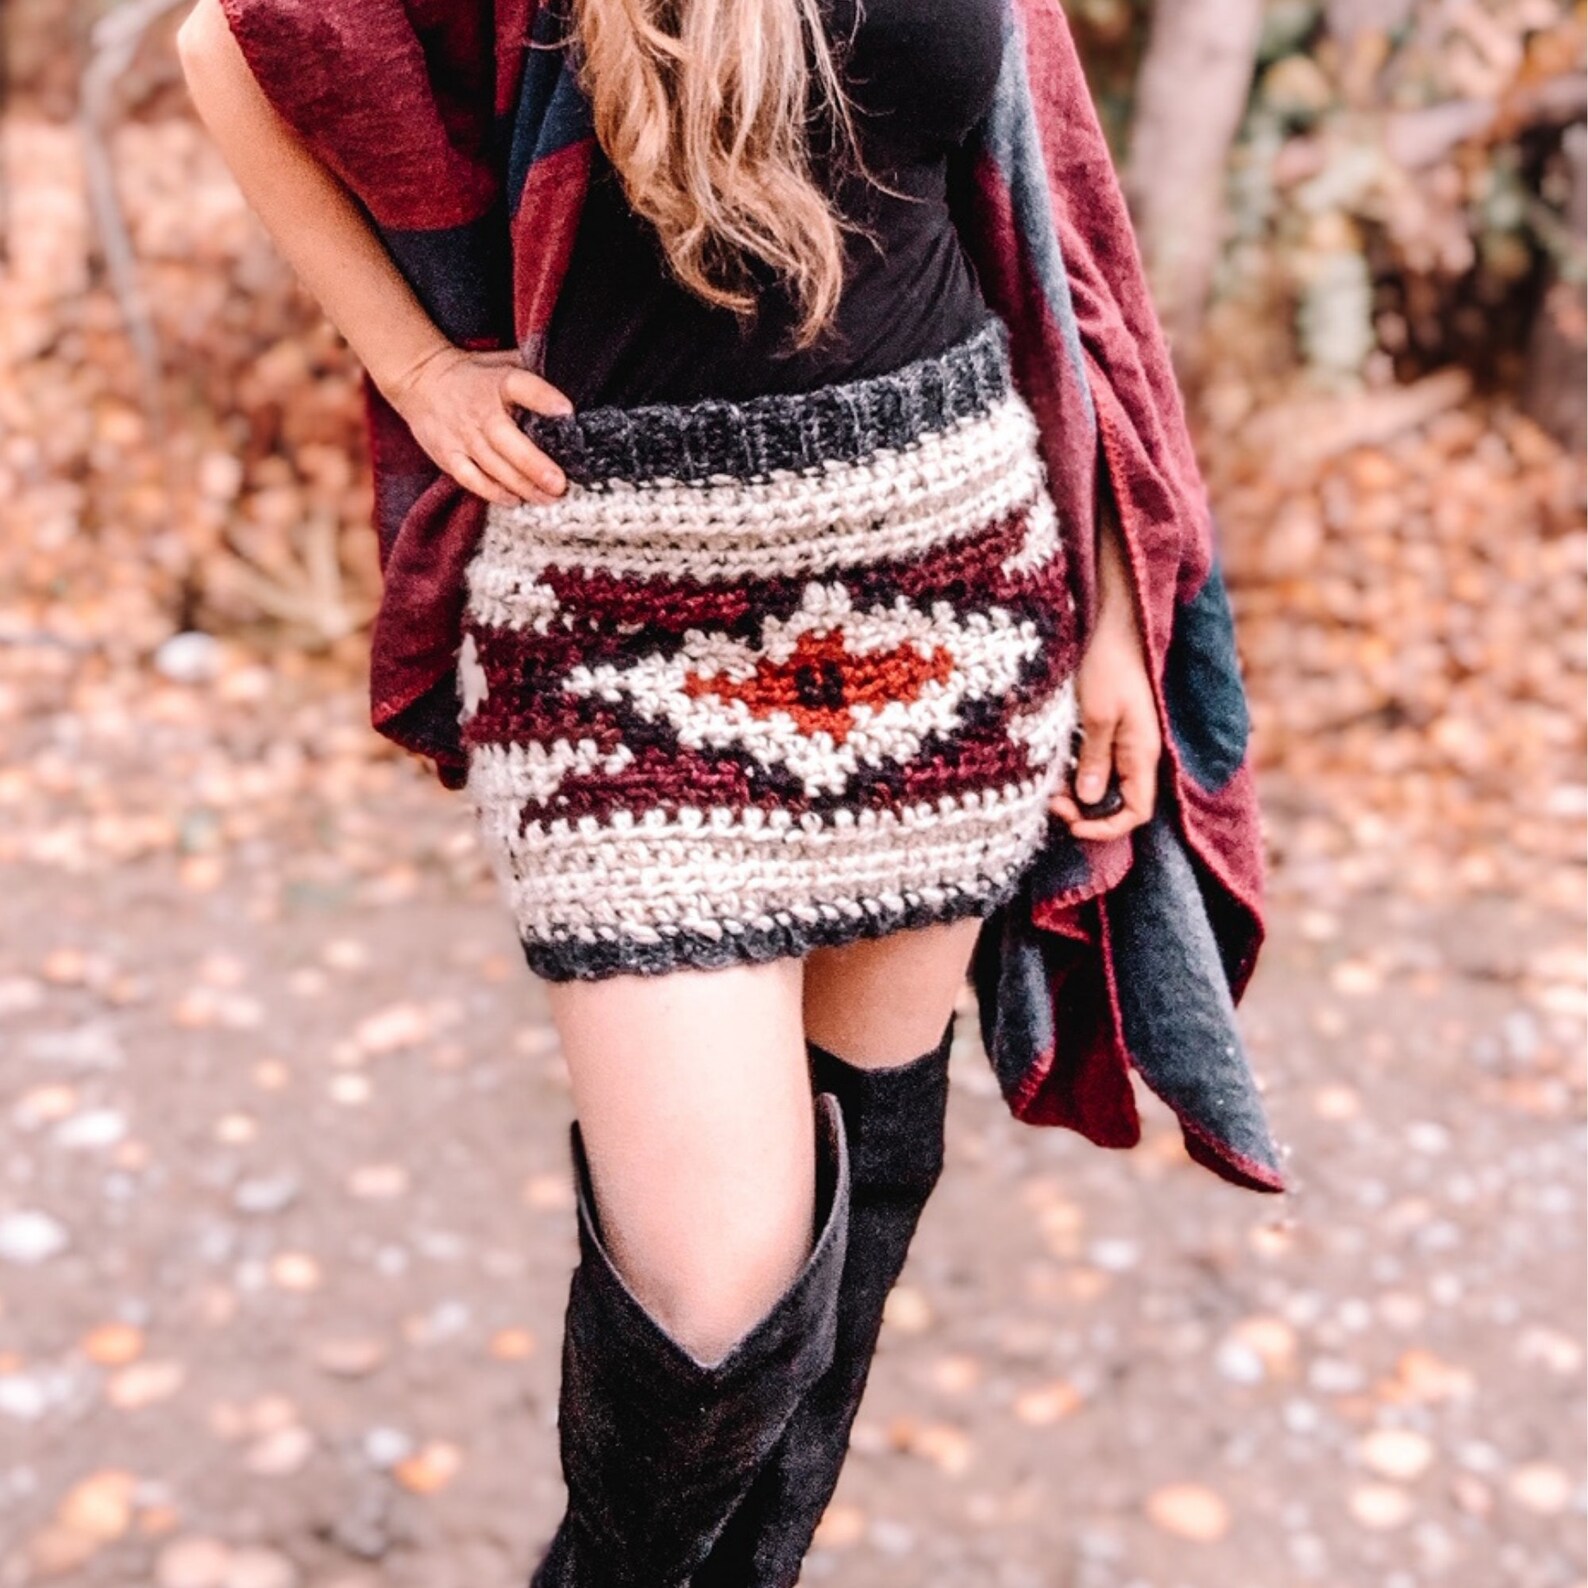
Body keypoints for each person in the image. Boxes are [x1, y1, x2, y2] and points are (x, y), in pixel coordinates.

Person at [177, 1, 1166, 1581]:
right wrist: (418, 364)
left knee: (869, 1188)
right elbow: (233, 44)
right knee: (711, 1306)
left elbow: (1051, 226)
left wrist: (1120, 614)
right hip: (617, 613)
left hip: (952, 573)